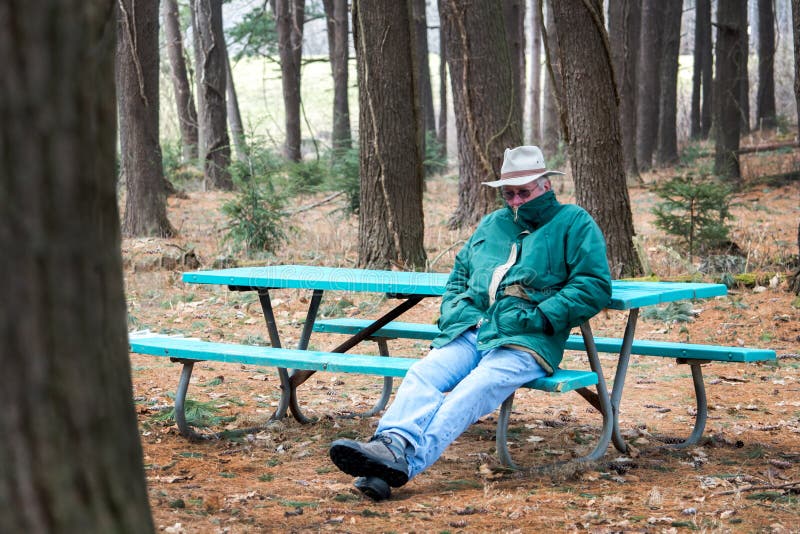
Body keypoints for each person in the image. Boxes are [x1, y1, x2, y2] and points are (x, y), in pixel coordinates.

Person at [329, 145, 612, 500]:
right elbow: (459, 276)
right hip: (471, 331)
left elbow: (594, 285)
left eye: (524, 192)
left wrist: (541, 315)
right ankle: (391, 444)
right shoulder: (492, 224)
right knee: (423, 374)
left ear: (546, 186)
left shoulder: (574, 222)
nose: (516, 201)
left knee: (469, 393)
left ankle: (400, 465)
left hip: (525, 340)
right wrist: (457, 312)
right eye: (509, 193)